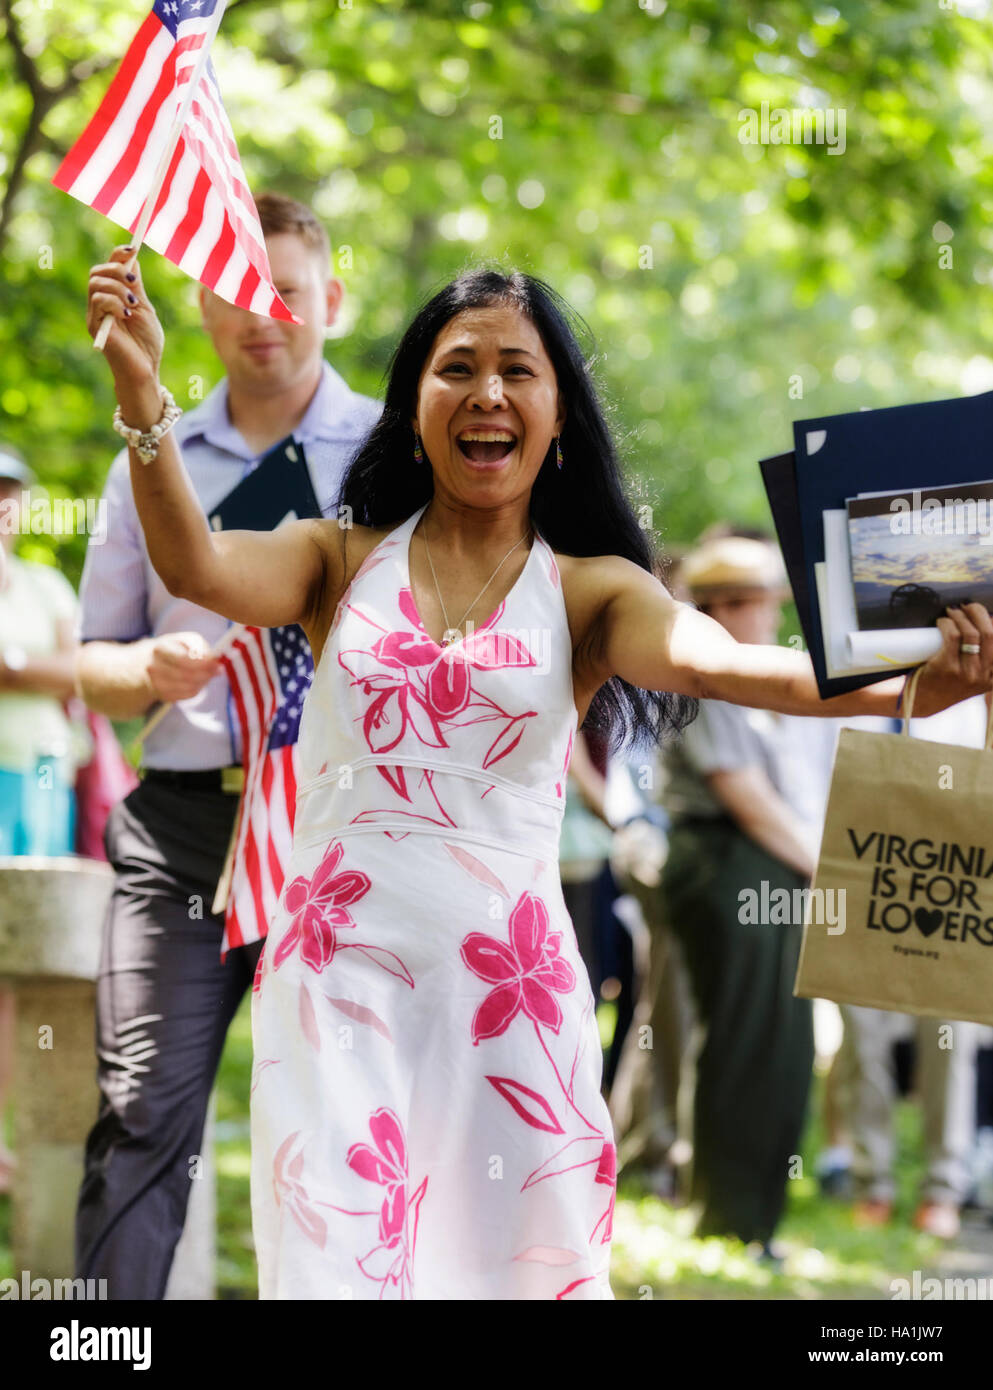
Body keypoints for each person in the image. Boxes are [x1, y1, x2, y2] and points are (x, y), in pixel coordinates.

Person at [84, 248, 993, 1298]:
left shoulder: (592, 591)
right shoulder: (334, 557)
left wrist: (922, 683)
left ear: (558, 415)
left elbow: (742, 667)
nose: (487, 392)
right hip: (337, 987)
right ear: (413, 403)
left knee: (512, 1270)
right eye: (456, 367)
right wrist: (144, 396)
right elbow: (195, 566)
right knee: (344, 1265)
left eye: (519, 370)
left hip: (509, 1001)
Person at [73, 195, 380, 1299]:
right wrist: (146, 673)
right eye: (240, 293)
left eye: (288, 290)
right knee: (143, 1105)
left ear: (331, 300)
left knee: (361, 1118)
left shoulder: (403, 454)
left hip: (352, 827)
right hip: (190, 823)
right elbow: (91, 665)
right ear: (203, 308)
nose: (265, 315)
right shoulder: (144, 459)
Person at [655, 535, 842, 1250]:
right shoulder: (698, 673)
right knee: (742, 1039)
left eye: (754, 598)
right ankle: (727, 1218)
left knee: (784, 1044)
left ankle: (756, 1220)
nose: (746, 613)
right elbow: (744, 796)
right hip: (726, 857)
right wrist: (824, 868)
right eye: (726, 601)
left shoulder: (772, 678)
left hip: (778, 865)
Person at [0, 446, 81, 1195]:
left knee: (29, 961)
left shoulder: (46, 582)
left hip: (42, 779)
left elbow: (77, 669)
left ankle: (17, 1140)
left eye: (10, 491)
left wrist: (16, 665)